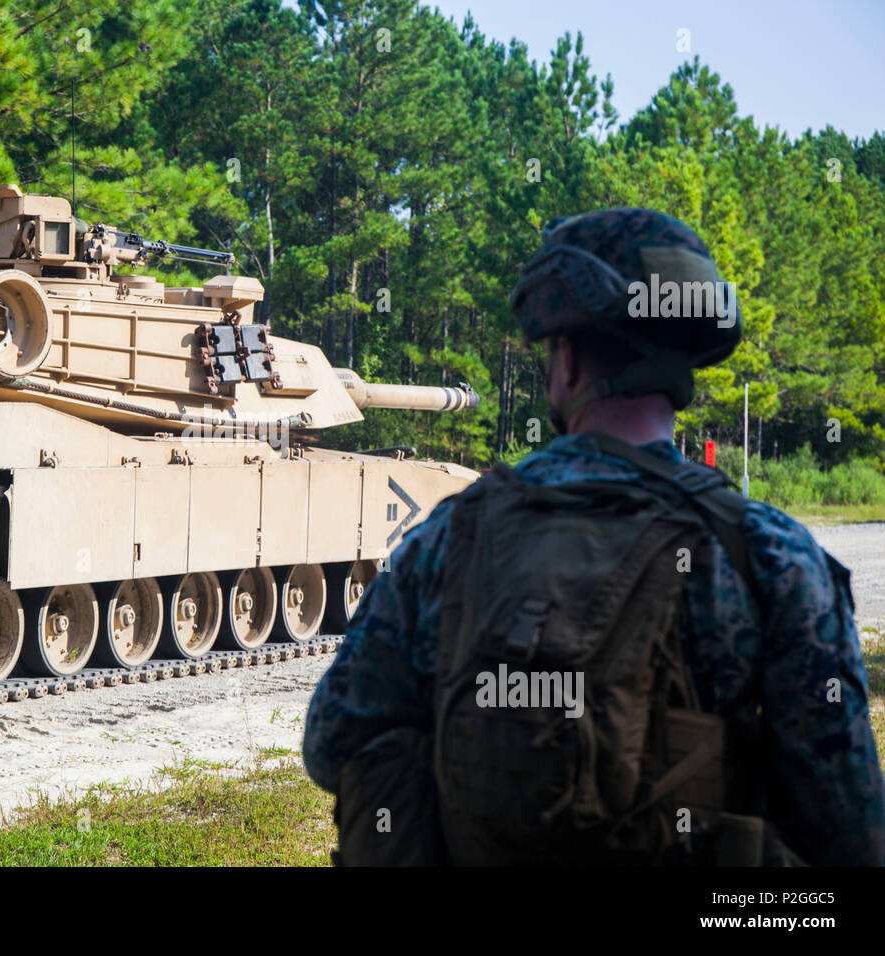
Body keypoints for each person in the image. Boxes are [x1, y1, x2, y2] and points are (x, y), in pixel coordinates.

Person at [302, 208, 885, 866]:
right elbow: (849, 828)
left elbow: (332, 743)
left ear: (568, 358)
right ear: (685, 364)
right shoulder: (770, 555)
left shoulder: (449, 536)